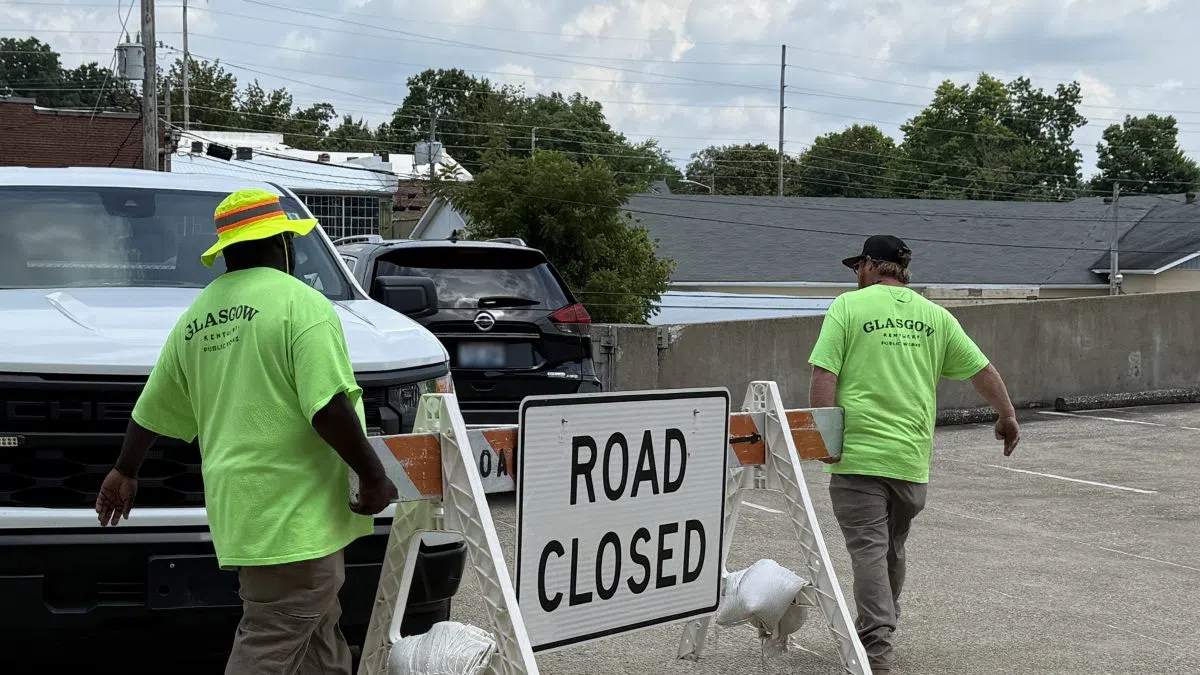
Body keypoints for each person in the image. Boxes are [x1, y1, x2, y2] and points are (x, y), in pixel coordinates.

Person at [95, 188, 399, 675]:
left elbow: (152, 410)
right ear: (282, 243)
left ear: (228, 252)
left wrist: (124, 470)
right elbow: (327, 407)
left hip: (245, 513)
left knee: (320, 636)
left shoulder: (196, 318)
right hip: (296, 517)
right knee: (273, 637)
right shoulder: (302, 305)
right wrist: (374, 475)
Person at [807, 234, 1020, 675]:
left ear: (869, 265)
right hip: (910, 461)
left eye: (856, 269)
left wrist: (824, 438)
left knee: (868, 552)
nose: (854, 277)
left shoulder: (848, 308)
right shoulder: (934, 316)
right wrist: (1007, 416)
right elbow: (983, 370)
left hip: (859, 457)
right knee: (891, 550)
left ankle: (876, 650)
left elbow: (824, 372)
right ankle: (885, 622)